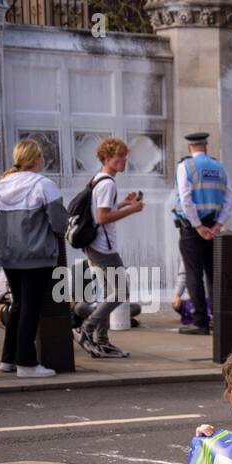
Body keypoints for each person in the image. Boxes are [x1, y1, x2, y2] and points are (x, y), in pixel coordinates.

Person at [0, 138, 68, 380]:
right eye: (42, 156)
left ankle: (8, 358)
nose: (44, 159)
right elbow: (59, 222)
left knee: (18, 305)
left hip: (8, 256)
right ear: (35, 159)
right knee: (30, 309)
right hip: (36, 256)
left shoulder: (0, 185)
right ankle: (26, 363)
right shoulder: (44, 185)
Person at [76, 137, 142, 359]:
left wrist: (123, 203)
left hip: (94, 246)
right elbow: (103, 217)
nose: (124, 160)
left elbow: (101, 211)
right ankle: (86, 328)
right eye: (119, 156)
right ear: (106, 158)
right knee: (122, 291)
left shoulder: (99, 180)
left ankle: (102, 341)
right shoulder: (107, 183)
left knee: (107, 292)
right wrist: (133, 210)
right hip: (104, 248)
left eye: (125, 156)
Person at [172, 131, 232, 336]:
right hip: (213, 226)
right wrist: (217, 225)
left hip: (192, 228)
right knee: (213, 274)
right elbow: (229, 200)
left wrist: (197, 226)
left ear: (190, 147)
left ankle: (200, 321)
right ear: (206, 145)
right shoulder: (219, 167)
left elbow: (185, 198)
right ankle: (218, 318)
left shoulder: (185, 167)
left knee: (193, 273)